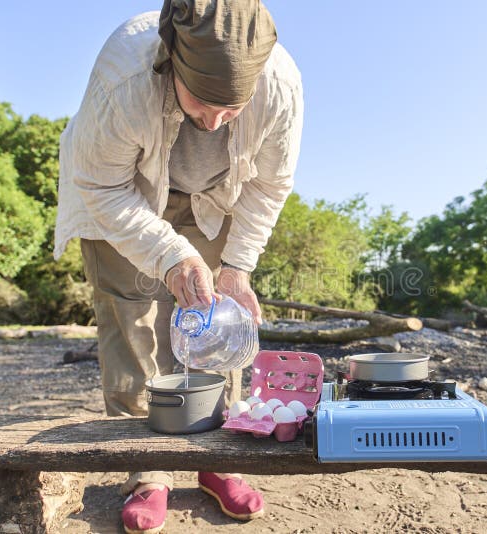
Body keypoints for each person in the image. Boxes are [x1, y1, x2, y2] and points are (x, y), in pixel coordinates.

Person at [54, 1, 303, 532]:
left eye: (230, 111)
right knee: (132, 319)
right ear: (172, 62)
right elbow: (102, 186)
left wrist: (237, 265)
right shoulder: (125, 73)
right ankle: (147, 469)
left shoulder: (281, 85)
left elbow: (269, 184)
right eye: (203, 103)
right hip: (121, 193)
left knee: (219, 317)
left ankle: (219, 455)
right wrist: (169, 256)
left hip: (214, 196)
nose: (214, 122)